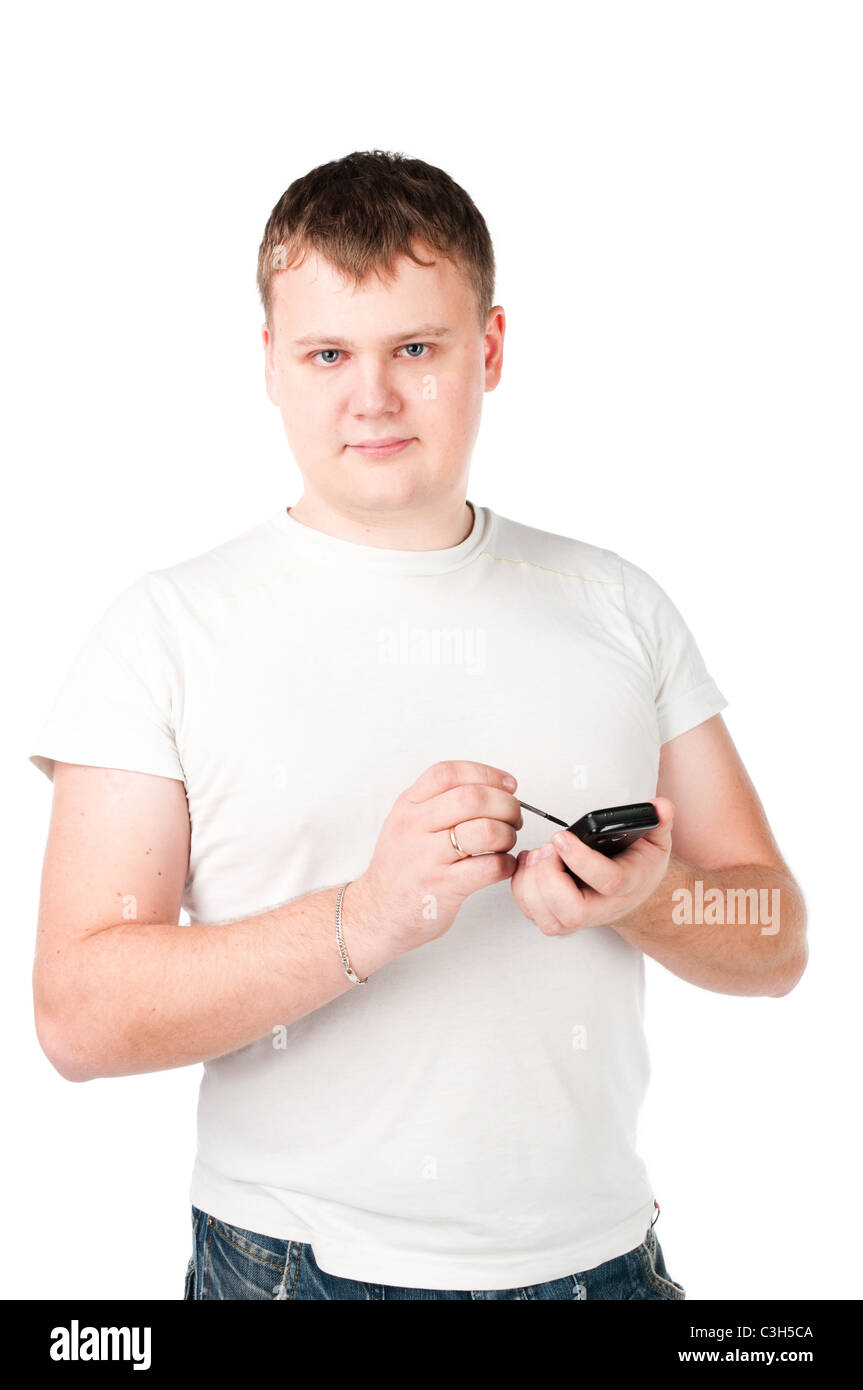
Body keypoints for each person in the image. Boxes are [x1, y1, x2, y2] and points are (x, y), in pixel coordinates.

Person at [30, 150, 807, 1302]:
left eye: (415, 349)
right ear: (271, 366)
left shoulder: (618, 602)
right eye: (328, 354)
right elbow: (76, 1016)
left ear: (487, 349)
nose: (373, 398)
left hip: (603, 1269)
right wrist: (367, 916)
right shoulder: (163, 629)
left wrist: (650, 900)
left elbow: (772, 932)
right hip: (296, 1271)